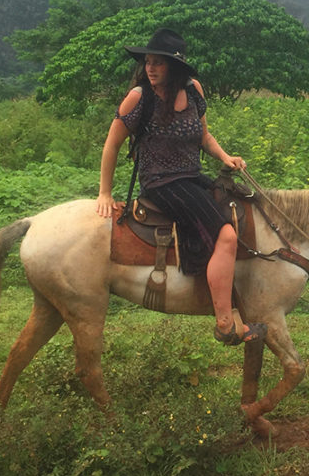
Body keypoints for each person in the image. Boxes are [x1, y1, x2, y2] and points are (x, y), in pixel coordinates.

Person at [95, 28, 268, 344]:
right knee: (226, 236)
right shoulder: (139, 97)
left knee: (238, 214)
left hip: (191, 176)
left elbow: (203, 136)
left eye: (158, 63)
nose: (150, 69)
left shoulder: (194, 91)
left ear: (174, 67)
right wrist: (104, 192)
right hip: (161, 183)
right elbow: (112, 144)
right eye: (147, 62)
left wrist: (225, 156)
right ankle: (226, 323)